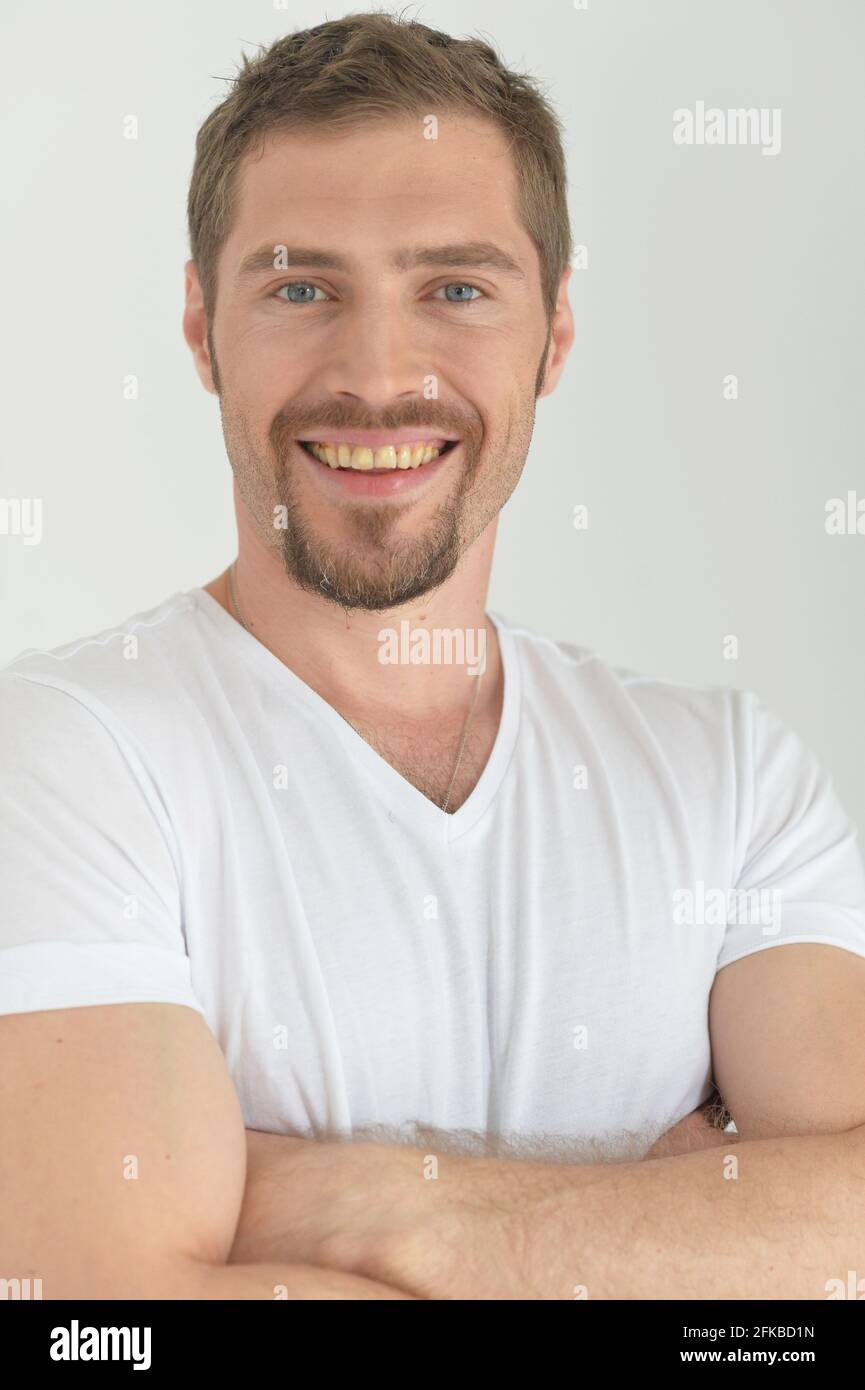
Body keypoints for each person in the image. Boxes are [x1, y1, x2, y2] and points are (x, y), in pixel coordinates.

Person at [2, 12, 864, 1301]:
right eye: (303, 288)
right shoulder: (68, 754)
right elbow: (98, 1330)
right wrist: (672, 1232)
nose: (377, 373)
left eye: (454, 288)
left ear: (554, 333)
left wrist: (370, 1206)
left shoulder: (732, 781)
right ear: (200, 327)